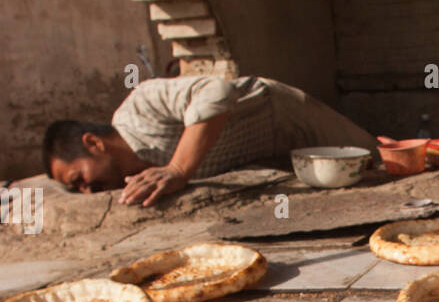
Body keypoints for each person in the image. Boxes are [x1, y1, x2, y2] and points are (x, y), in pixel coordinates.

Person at [43, 73, 378, 207]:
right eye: (78, 190)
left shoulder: (140, 106)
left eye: (80, 179)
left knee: (376, 158)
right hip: (271, 157)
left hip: (283, 116)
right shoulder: (136, 180)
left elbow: (217, 88)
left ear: (93, 143)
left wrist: (178, 168)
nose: (88, 190)